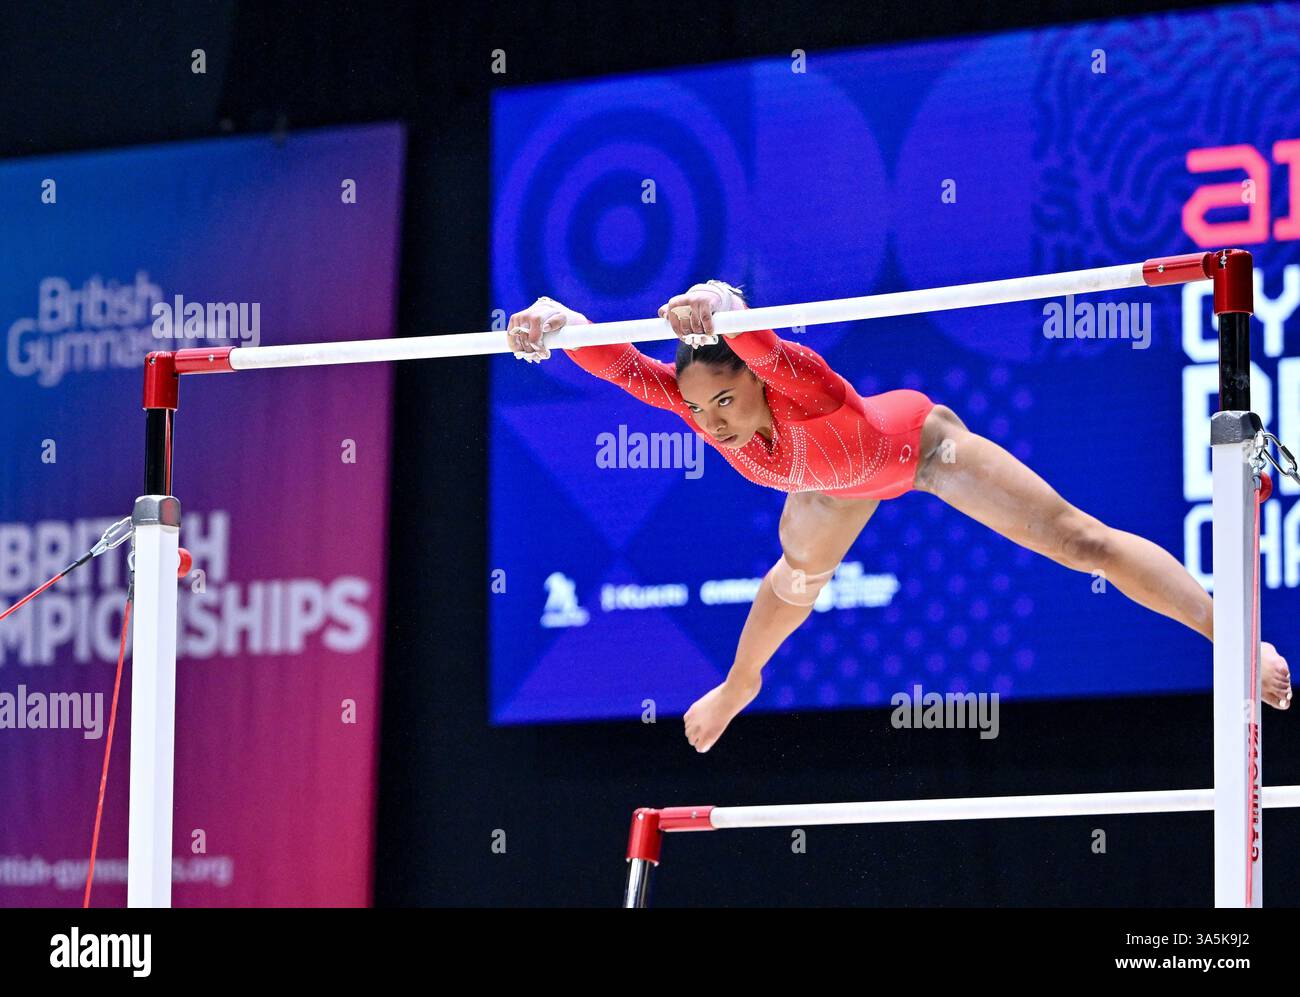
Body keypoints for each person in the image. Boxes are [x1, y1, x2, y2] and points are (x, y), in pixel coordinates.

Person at [507, 280, 1292, 752]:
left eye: (725, 397)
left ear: (753, 377)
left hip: (920, 450)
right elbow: (620, 365)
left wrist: (726, 307)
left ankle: (1233, 638)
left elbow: (766, 345)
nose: (710, 421)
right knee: (796, 579)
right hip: (828, 488)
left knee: (1081, 541)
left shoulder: (800, 384)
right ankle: (739, 683)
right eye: (699, 406)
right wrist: (558, 322)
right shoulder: (695, 406)